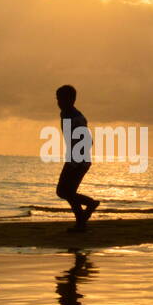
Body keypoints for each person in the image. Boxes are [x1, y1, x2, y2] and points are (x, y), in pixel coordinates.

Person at [55, 84, 99, 230]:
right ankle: (81, 222)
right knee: (68, 192)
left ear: (71, 100)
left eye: (61, 99)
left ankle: (90, 204)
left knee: (63, 191)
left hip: (78, 160)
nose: (59, 103)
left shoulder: (73, 116)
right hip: (78, 159)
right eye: (58, 99)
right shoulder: (66, 114)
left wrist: (75, 160)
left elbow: (87, 141)